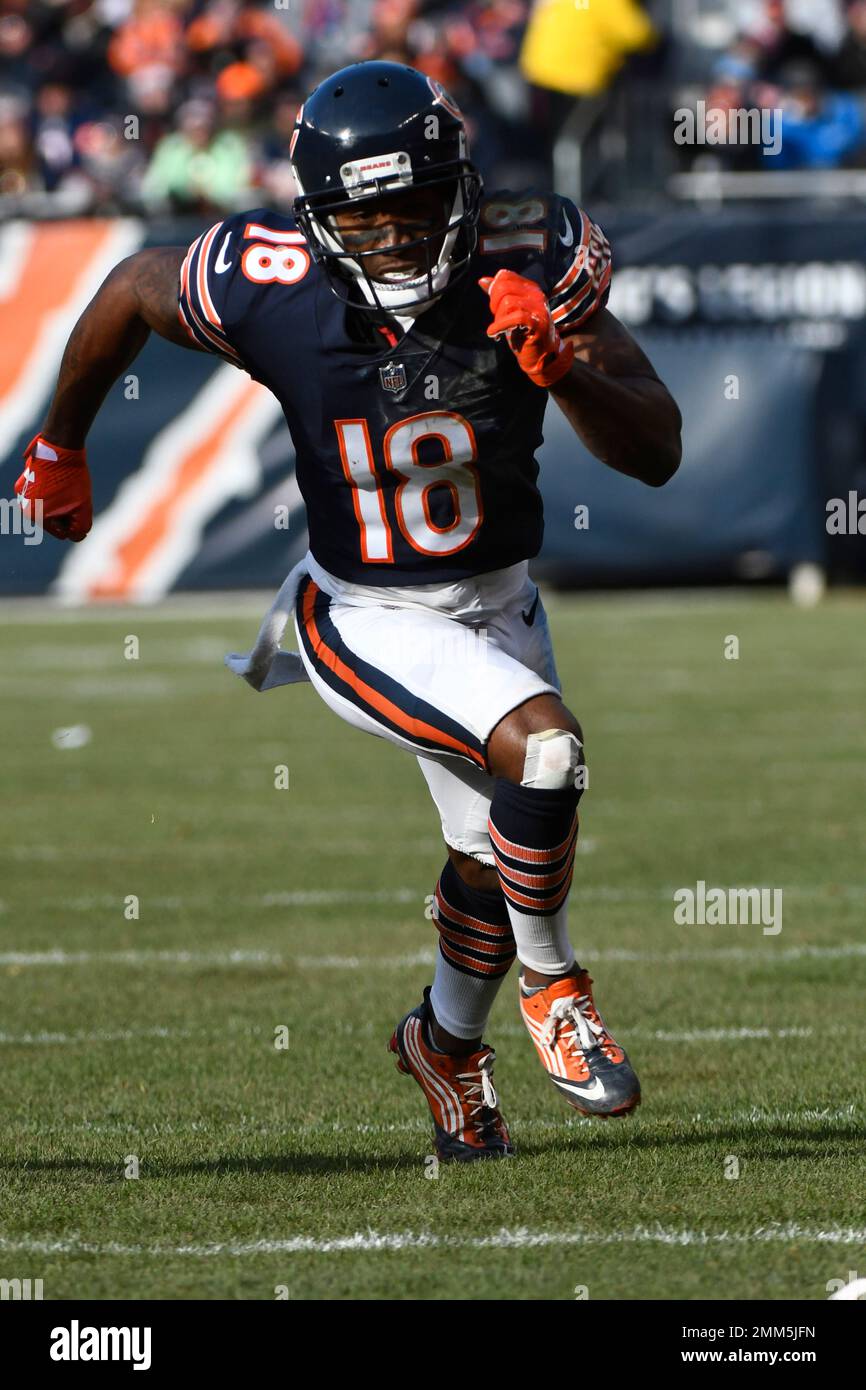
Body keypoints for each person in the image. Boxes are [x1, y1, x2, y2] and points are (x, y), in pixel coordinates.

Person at [16, 60, 681, 1162]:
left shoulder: (530, 255)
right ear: (318, 224)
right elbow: (135, 284)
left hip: (499, 605)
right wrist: (59, 441)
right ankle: (555, 987)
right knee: (546, 756)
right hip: (361, 611)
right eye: (363, 221)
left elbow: (651, 448)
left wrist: (560, 366)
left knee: (488, 852)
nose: (395, 241)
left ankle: (445, 1045)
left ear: (459, 191)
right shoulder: (270, 285)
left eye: (415, 210)